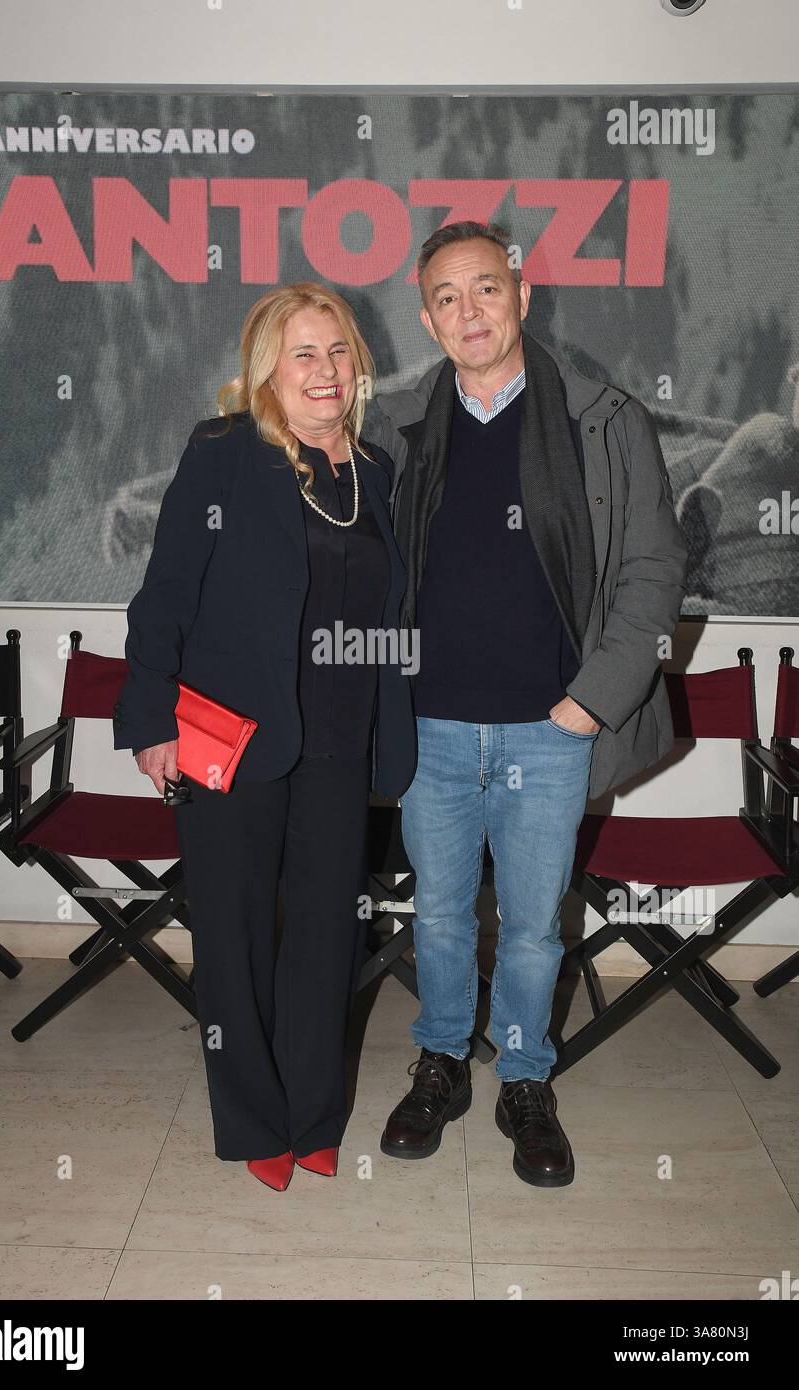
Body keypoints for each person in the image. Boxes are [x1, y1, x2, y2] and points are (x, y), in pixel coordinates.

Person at [364, 220, 689, 1187]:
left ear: (523, 294)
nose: (470, 310)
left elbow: (652, 568)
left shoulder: (603, 418)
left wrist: (593, 701)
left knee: (538, 925)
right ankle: (438, 1065)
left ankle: (523, 1079)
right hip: (431, 727)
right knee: (442, 917)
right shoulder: (400, 425)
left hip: (552, 728)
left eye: (486, 289)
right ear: (427, 319)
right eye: (447, 298)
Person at [113, 283, 415, 1191]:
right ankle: (253, 1124)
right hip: (232, 736)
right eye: (303, 355)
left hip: (338, 739)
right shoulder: (224, 456)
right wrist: (148, 713)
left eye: (337, 353)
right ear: (266, 373)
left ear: (357, 365)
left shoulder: (376, 472)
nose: (324, 372)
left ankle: (315, 1115)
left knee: (328, 935)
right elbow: (164, 593)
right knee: (236, 939)